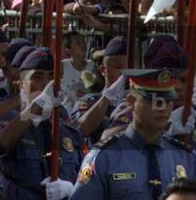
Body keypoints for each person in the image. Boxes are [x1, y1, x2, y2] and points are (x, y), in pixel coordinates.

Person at [69, 65, 196, 199]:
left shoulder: (185, 157)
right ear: (131, 102)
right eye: (153, 101)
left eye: (168, 100)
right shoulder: (103, 157)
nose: (162, 108)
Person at [0, 47, 84, 200]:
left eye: (52, 77)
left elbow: (89, 172)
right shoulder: (10, 122)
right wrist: (37, 107)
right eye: (37, 77)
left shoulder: (69, 131)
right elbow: (1, 144)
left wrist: (73, 187)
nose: (46, 84)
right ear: (21, 85)